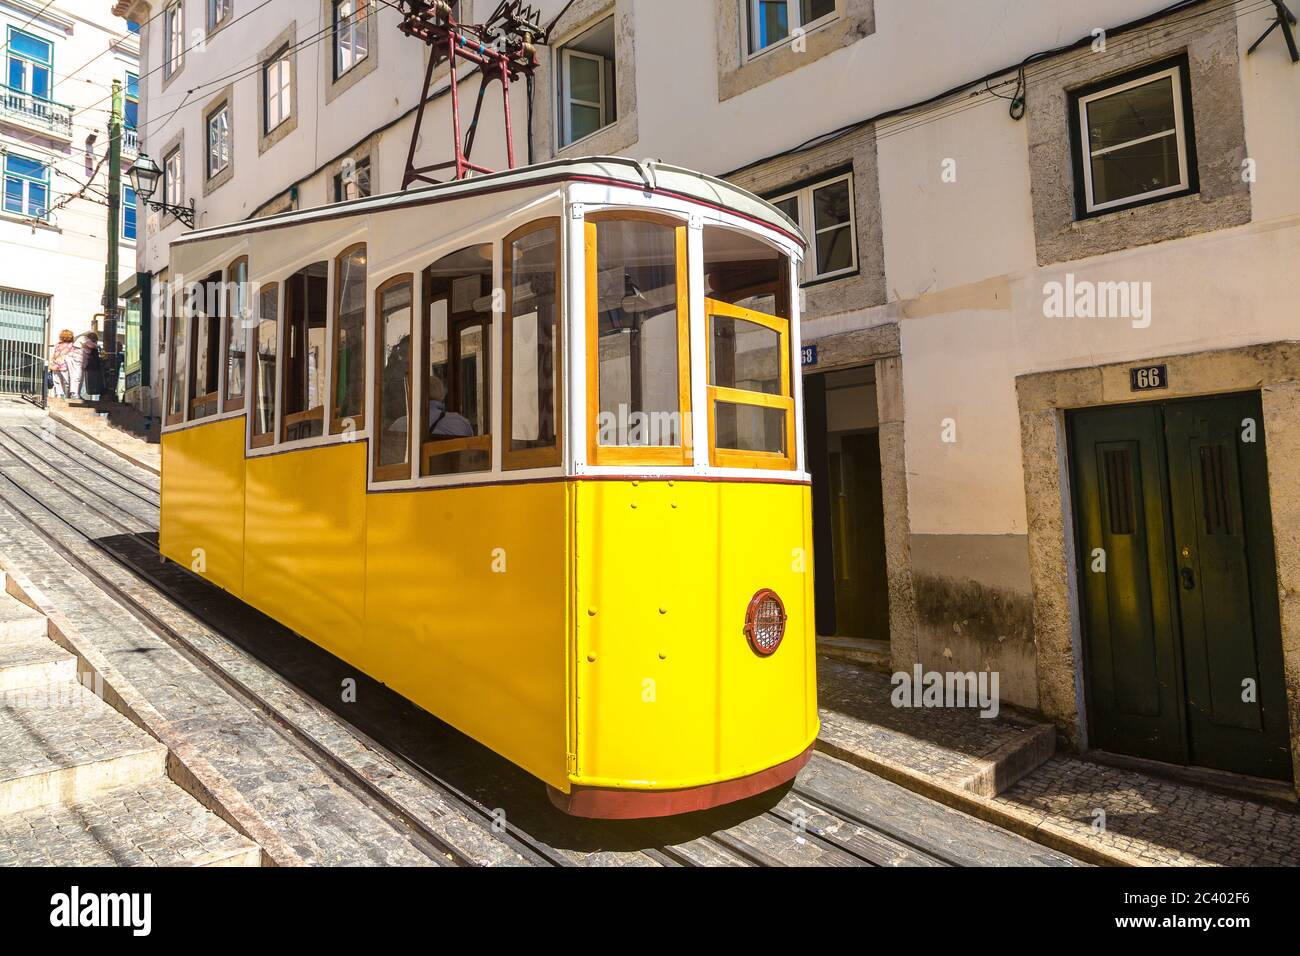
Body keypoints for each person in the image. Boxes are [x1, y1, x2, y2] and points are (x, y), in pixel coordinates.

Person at [48, 330, 76, 398]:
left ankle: (59, 394)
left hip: (56, 364)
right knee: (67, 380)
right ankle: (69, 394)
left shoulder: (58, 344)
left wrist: (52, 363)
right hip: (64, 365)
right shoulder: (71, 345)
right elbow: (68, 354)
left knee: (57, 380)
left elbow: (55, 354)